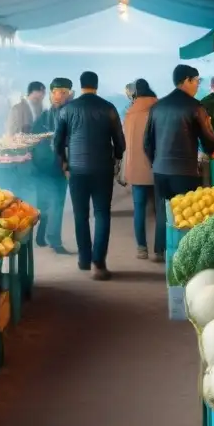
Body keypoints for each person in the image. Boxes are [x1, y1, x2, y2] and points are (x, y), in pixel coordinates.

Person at [144, 64, 214, 255]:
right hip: (184, 170)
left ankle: (160, 249)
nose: (197, 85)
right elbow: (208, 141)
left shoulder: (157, 107)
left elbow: (147, 142)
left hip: (161, 169)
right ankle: (182, 252)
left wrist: (156, 163)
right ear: (187, 80)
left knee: (164, 209)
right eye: (196, 81)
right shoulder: (195, 107)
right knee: (185, 211)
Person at [53, 71, 125, 280]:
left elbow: (57, 142)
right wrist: (117, 157)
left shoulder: (68, 109)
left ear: (81, 85)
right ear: (96, 85)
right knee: (102, 214)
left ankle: (84, 259)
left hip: (78, 171)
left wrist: (64, 162)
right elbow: (120, 142)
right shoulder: (108, 108)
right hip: (102, 169)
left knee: (80, 215)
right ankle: (99, 263)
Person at [31, 78, 73, 254]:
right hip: (56, 165)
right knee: (56, 201)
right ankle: (54, 241)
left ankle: (43, 232)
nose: (58, 96)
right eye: (56, 92)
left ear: (68, 94)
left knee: (46, 200)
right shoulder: (67, 115)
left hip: (43, 164)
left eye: (62, 92)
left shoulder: (44, 116)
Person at [123, 78, 161, 261]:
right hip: (159, 166)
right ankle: (159, 250)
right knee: (161, 209)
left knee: (139, 209)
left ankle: (141, 248)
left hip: (137, 168)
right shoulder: (159, 108)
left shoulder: (130, 113)